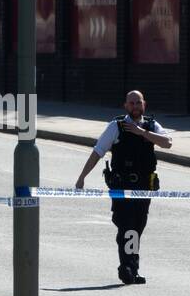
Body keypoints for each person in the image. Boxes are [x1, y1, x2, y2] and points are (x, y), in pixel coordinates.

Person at [74, 90, 173, 284]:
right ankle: (126, 267)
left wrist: (142, 133)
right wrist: (82, 177)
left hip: (144, 186)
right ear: (125, 106)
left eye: (138, 103)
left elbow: (168, 143)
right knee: (126, 225)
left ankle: (133, 269)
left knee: (138, 226)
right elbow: (98, 152)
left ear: (144, 104)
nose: (135, 106)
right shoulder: (116, 126)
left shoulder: (151, 125)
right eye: (132, 103)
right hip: (122, 185)